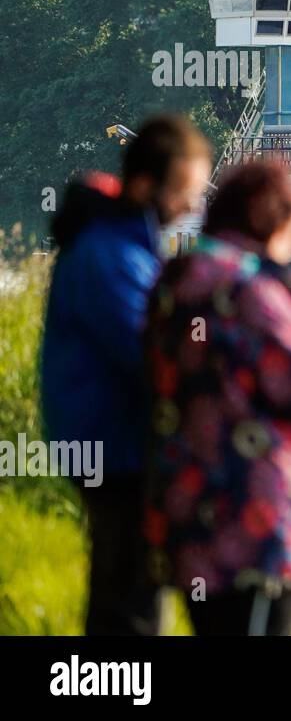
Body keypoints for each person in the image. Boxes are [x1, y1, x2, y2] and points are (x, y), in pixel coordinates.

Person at [143, 160, 291, 636]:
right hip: (257, 518)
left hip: (188, 506)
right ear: (271, 220)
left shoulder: (174, 281)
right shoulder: (249, 288)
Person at [41, 114, 213, 635]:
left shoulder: (120, 245)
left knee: (122, 589)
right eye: (183, 193)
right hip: (114, 450)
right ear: (143, 185)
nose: (189, 207)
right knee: (131, 599)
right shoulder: (111, 256)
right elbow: (151, 355)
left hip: (111, 444)